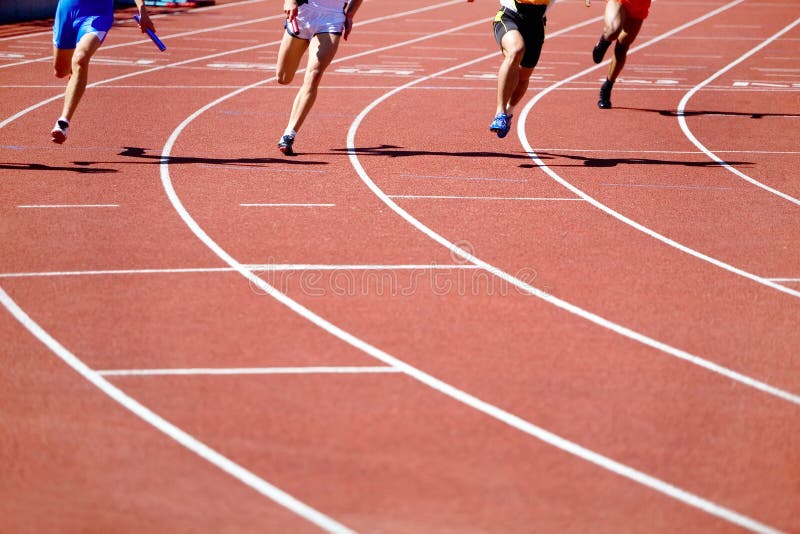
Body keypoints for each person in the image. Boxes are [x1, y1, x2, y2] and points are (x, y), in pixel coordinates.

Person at [51, 0, 156, 143]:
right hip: (67, 11)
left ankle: (63, 122)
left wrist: (142, 10)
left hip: (98, 15)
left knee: (81, 59)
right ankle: (74, 74)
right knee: (60, 71)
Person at [276, 0, 363, 156]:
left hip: (331, 19)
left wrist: (349, 14)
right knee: (283, 77)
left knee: (314, 74)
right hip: (302, 15)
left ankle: (289, 133)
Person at [485, 0, 556, 139]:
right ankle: (500, 113)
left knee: (523, 76)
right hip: (509, 16)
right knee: (516, 50)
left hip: (536, 24)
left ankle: (509, 112)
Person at [585, 0, 651, 109]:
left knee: (622, 46)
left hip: (640, 5)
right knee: (613, 31)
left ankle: (607, 87)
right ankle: (603, 41)